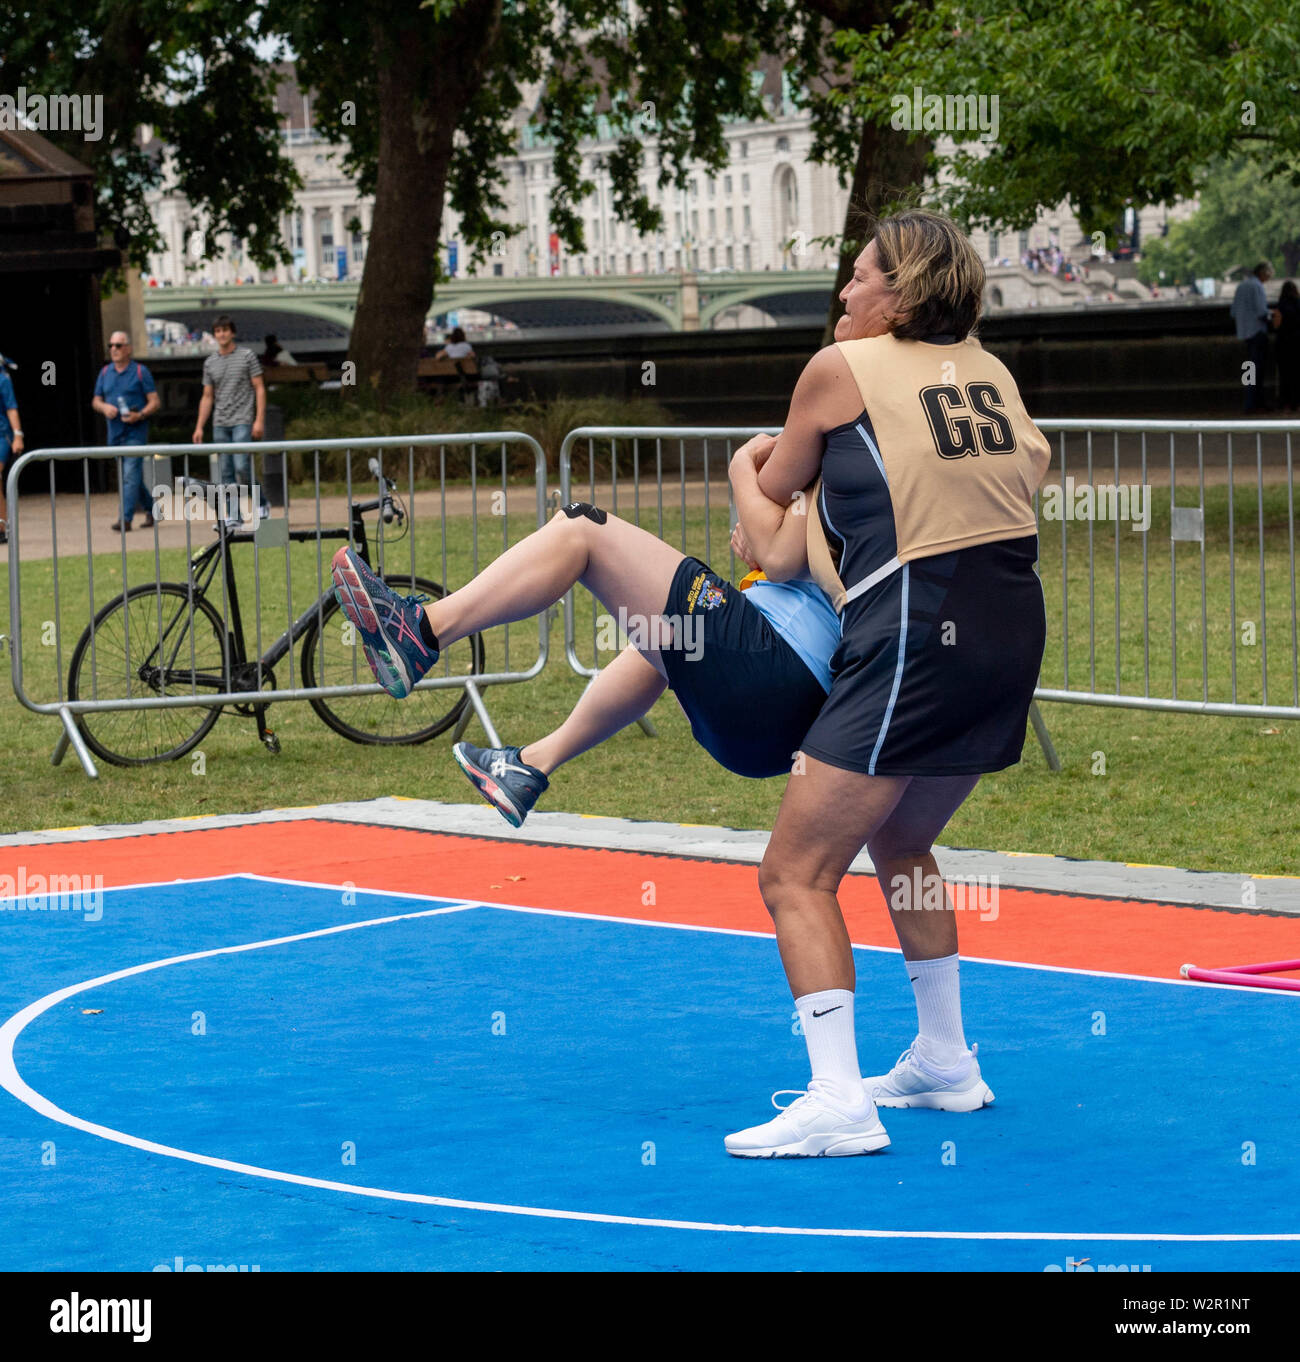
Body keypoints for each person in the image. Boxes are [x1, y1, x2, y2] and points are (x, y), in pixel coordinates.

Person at [717, 207, 1051, 1156]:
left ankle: (836, 1099)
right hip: (1009, 624)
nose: (846, 292)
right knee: (904, 843)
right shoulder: (989, 370)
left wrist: (740, 464)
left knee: (794, 871)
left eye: (861, 277)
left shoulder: (840, 370)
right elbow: (1034, 464)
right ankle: (946, 1060)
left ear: (900, 294)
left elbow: (774, 502)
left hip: (914, 625)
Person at [329, 504, 839, 826]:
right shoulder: (894, 436)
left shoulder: (839, 390)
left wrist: (741, 465)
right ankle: (529, 765)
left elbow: (773, 514)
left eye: (848, 322)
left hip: (772, 669)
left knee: (581, 526)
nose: (839, 324)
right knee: (663, 638)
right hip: (786, 726)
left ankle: (419, 632)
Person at [193, 315, 267, 517]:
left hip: (242, 419)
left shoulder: (247, 356)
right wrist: (200, 426)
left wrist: (259, 419)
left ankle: (261, 503)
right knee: (225, 471)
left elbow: (259, 388)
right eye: (218, 331)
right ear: (214, 335)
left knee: (242, 466)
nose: (222, 334)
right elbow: (207, 396)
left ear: (232, 333)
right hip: (220, 422)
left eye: (225, 330)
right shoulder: (210, 363)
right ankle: (234, 515)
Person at [92, 331, 161, 532]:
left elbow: (154, 401)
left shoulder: (141, 371)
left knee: (130, 476)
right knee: (131, 478)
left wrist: (139, 415)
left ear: (128, 348)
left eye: (119, 345)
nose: (114, 349)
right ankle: (153, 509)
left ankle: (125, 519)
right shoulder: (105, 373)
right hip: (115, 434)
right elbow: (95, 401)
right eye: (111, 345)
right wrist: (105, 408)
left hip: (135, 434)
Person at [1231, 262, 1273, 414]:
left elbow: (1233, 311)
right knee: (1258, 370)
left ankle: (1249, 402)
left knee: (1249, 369)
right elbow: (1262, 312)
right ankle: (1255, 404)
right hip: (1257, 332)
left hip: (1244, 333)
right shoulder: (1257, 286)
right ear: (1263, 273)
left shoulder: (1241, 286)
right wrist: (1273, 314)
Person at [0, 353, 23, 547]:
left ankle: (2, 526)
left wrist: (17, 435)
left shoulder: (3, 380)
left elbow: (11, 408)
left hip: (2, 435)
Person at [1272, 279, 1300, 413]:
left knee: (1285, 375)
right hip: (1297, 343)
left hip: (1283, 344)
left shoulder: (1280, 306)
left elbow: (1276, 325)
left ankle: (1286, 405)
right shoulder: (1299, 304)